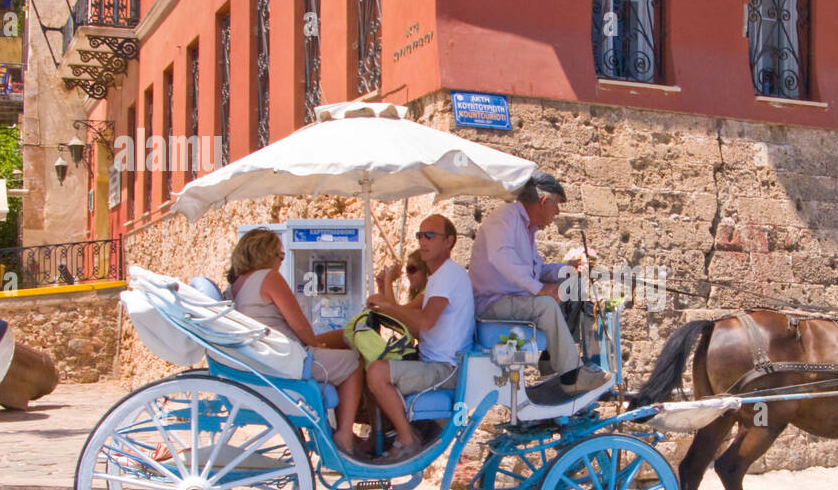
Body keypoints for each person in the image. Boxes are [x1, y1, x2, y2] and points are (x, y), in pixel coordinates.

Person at [468, 172, 609, 400]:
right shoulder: (505, 217)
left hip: (511, 301)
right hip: (492, 304)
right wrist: (539, 288)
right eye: (558, 205)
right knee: (545, 304)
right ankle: (571, 377)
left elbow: (536, 270)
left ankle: (551, 360)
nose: (558, 213)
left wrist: (568, 269)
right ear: (545, 201)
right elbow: (501, 258)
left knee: (570, 287)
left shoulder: (526, 228)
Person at [228, 228, 363, 456]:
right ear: (266, 254)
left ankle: (337, 425)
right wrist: (317, 346)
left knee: (343, 336)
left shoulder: (237, 285)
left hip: (265, 355)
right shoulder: (268, 278)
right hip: (286, 358)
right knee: (354, 362)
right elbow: (300, 325)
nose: (281, 262)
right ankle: (345, 434)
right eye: (279, 256)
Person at [363, 214, 475, 462]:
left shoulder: (448, 276)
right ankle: (379, 436)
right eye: (420, 235)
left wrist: (387, 306)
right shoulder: (438, 278)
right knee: (367, 365)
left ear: (449, 241)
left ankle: (407, 439)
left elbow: (424, 322)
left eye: (430, 236)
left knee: (376, 373)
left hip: (445, 368)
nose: (423, 241)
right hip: (431, 361)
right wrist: (385, 299)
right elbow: (412, 320)